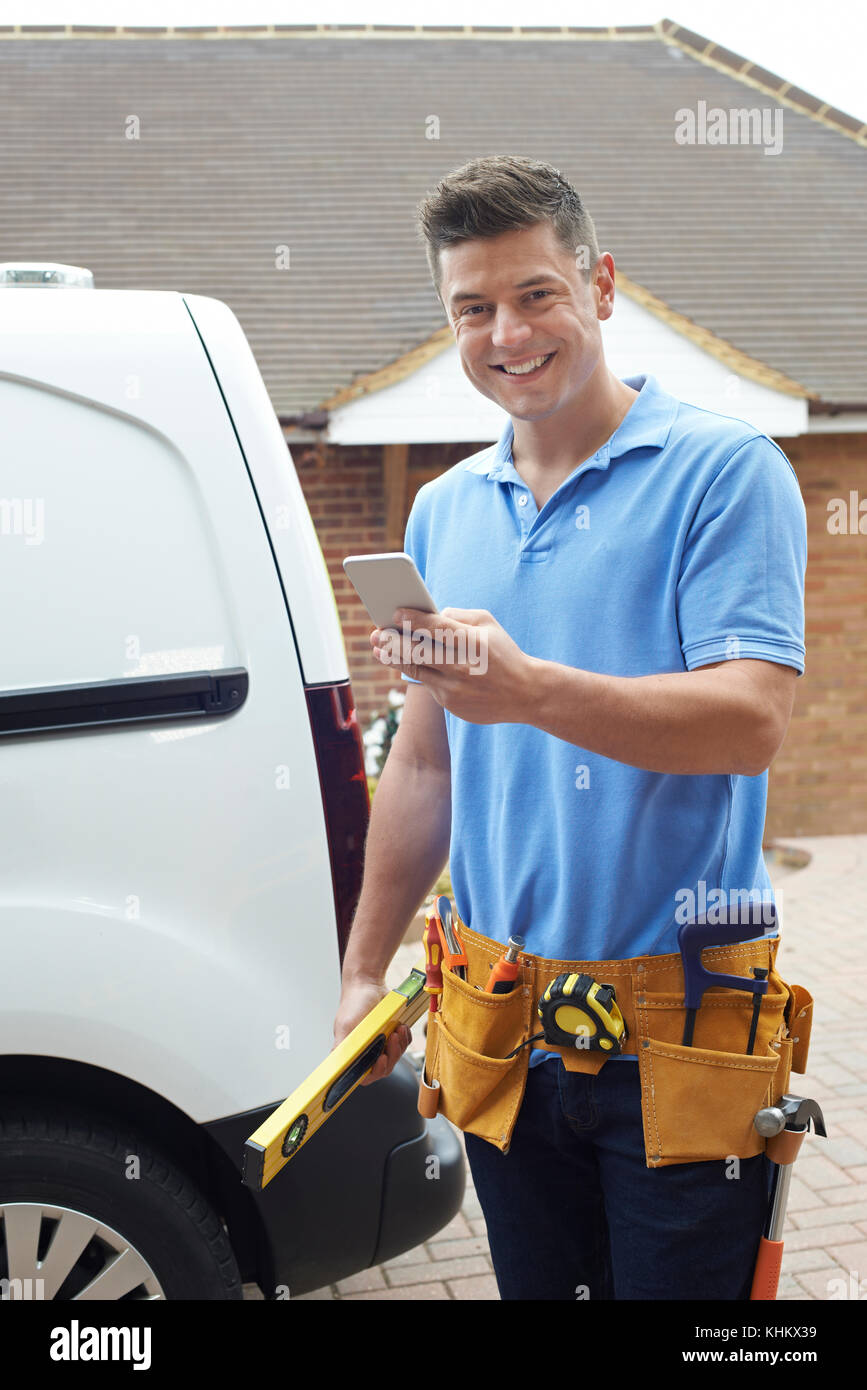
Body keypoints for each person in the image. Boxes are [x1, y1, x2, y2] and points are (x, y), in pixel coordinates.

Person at [333, 154, 807, 1300]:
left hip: (683, 1030)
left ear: (600, 285)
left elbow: (750, 723)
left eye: (536, 293)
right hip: (501, 1029)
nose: (508, 333)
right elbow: (427, 763)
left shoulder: (725, 473)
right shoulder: (443, 511)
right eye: (473, 308)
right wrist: (360, 969)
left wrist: (533, 688)